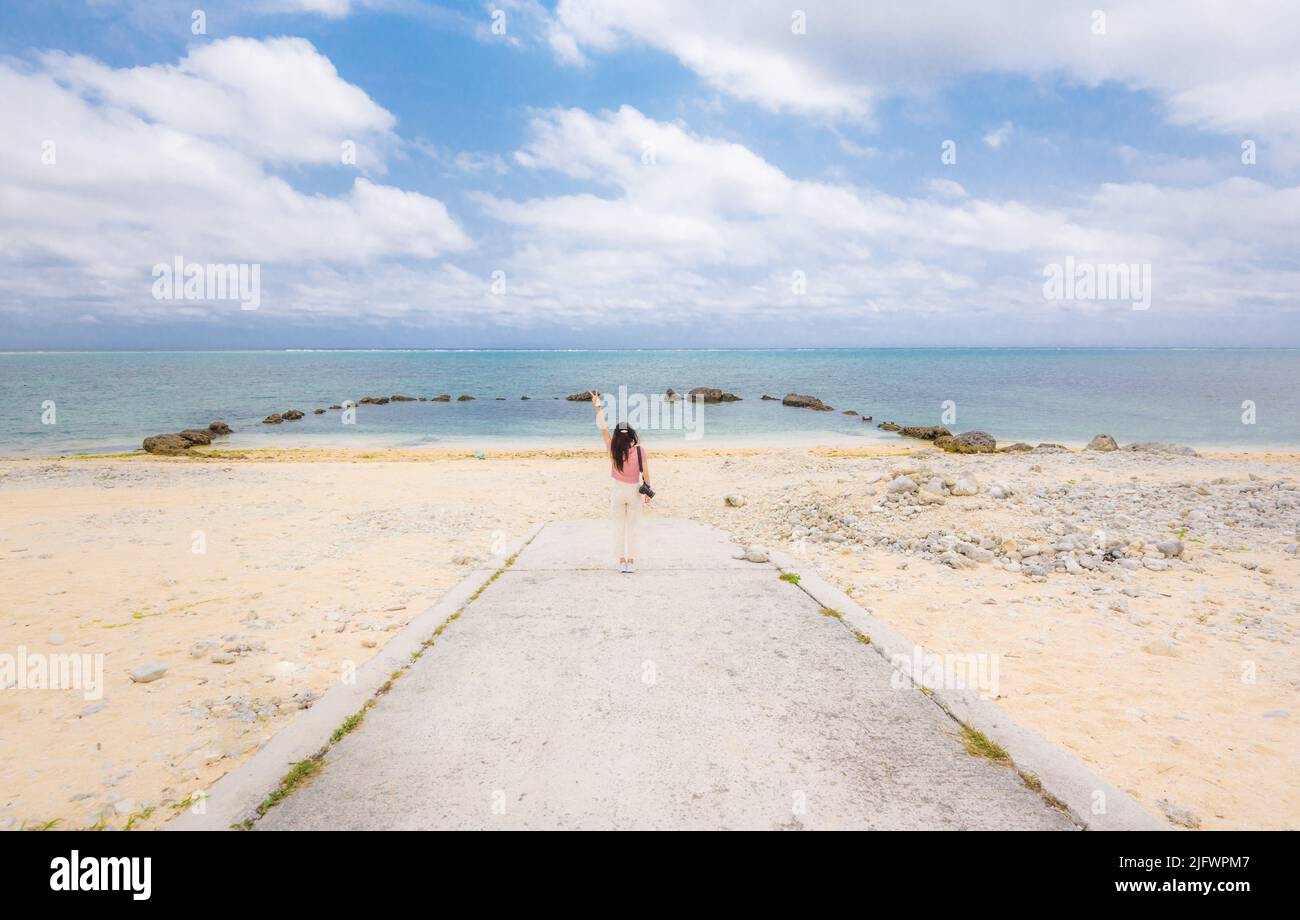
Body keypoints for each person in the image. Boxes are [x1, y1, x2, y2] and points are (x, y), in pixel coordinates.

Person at [591, 391, 652, 573]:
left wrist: (598, 406)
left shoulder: (612, 449)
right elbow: (647, 474)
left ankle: (621, 561)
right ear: (632, 435)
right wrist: (648, 492)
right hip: (634, 492)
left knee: (618, 527)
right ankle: (631, 563)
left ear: (617, 436)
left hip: (618, 491)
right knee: (633, 527)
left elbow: (603, 428)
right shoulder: (640, 451)